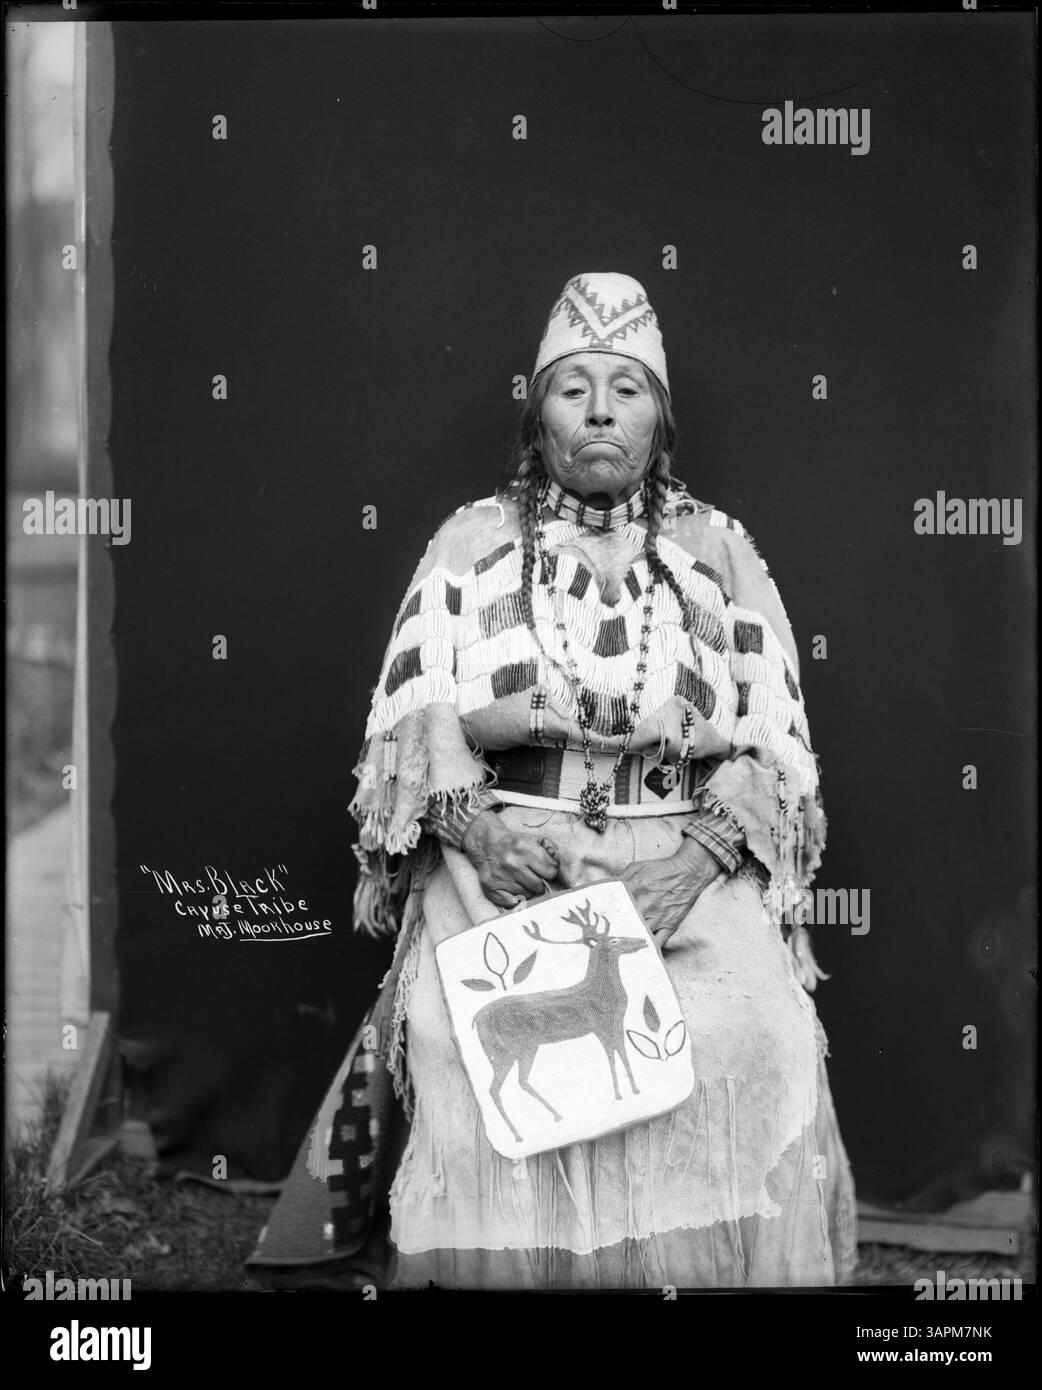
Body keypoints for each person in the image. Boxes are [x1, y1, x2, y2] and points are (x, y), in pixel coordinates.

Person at [251, 271, 857, 1290]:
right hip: (510, 855)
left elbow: (775, 744)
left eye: (627, 388)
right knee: (460, 1042)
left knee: (756, 1035)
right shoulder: (471, 542)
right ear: (539, 417)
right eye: (574, 388)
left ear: (660, 418)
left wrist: (695, 861)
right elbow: (415, 717)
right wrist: (477, 832)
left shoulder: (719, 551)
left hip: (681, 857)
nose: (601, 411)